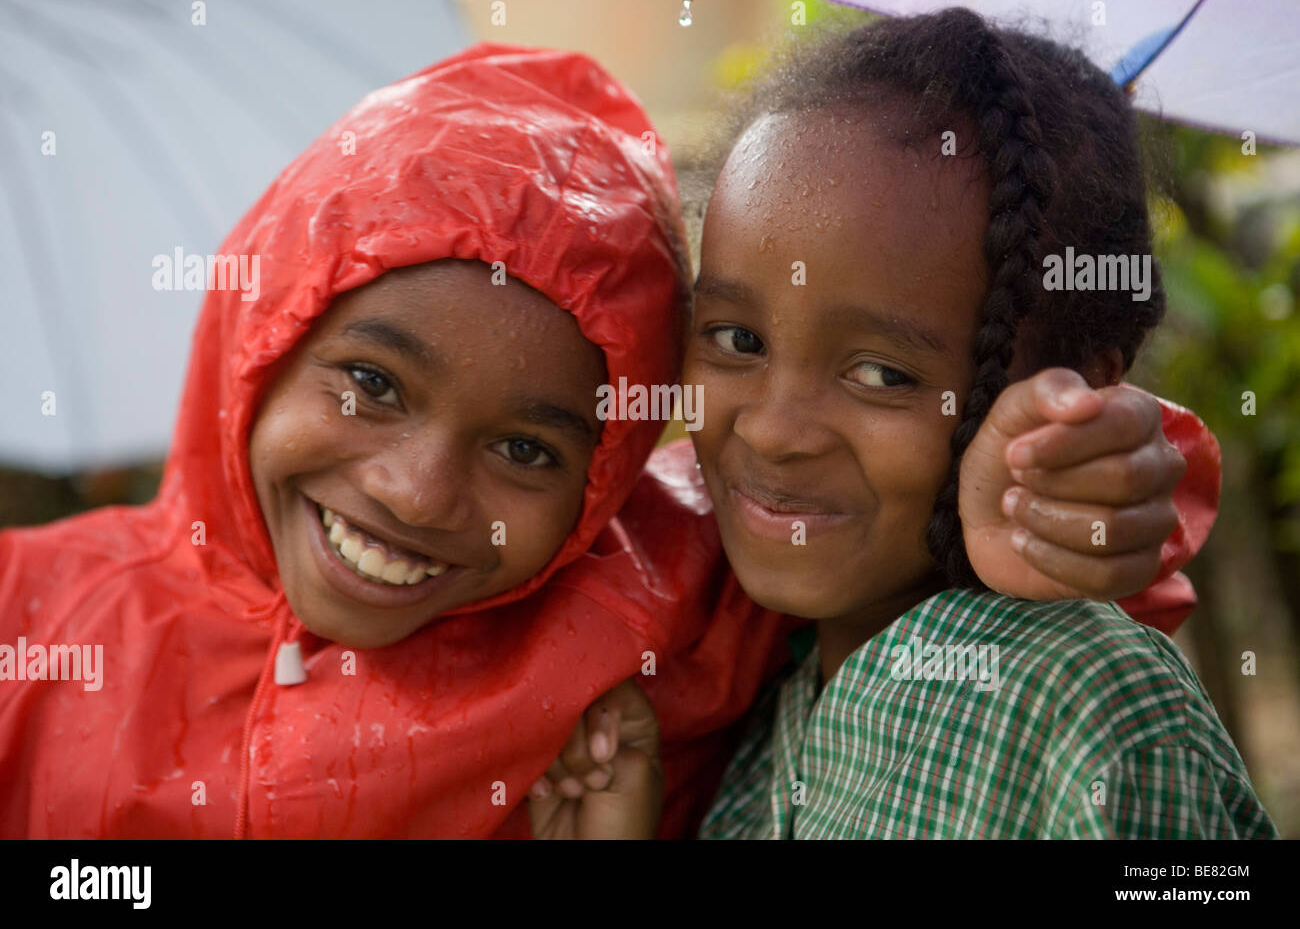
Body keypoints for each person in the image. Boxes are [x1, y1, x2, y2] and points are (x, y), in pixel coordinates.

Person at [0, 42, 1210, 839]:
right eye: (370, 380)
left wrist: (1091, 480)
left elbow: (1088, 517)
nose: (416, 492)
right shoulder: (32, 621)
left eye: (529, 449)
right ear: (261, 330)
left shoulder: (674, 610)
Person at [528, 12, 1274, 839]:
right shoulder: (766, 693)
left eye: (882, 374)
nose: (774, 431)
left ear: (1074, 391)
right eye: (738, 340)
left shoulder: (1077, 697)